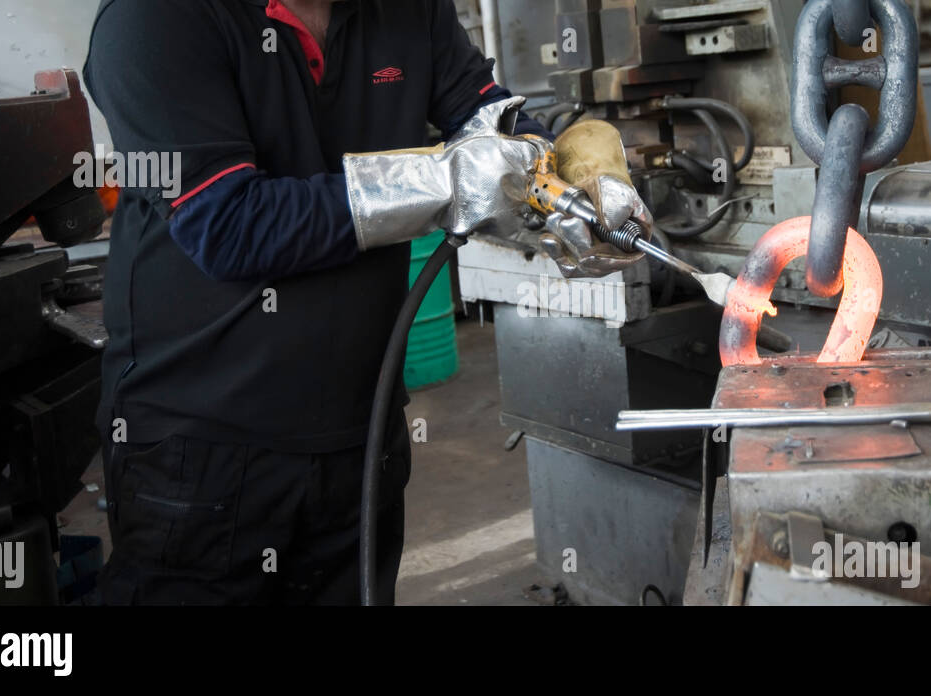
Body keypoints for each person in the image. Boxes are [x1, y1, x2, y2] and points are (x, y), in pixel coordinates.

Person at [82, 0, 644, 605]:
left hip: (360, 426)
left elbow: (483, 117)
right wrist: (446, 182)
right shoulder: (153, 20)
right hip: (202, 449)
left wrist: (560, 173)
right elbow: (229, 225)